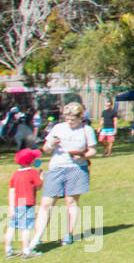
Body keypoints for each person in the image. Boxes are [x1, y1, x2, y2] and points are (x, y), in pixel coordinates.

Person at [29, 102, 97, 253]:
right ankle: (37, 237)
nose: (70, 120)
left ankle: (68, 234)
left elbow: (93, 151)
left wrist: (83, 156)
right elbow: (46, 149)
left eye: (73, 118)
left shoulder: (87, 130)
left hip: (76, 168)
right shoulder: (58, 128)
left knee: (71, 202)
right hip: (56, 167)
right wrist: (51, 144)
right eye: (67, 117)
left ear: (81, 117)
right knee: (46, 203)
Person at [7, 148, 43, 259]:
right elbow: (38, 187)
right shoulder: (32, 172)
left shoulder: (15, 174)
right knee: (26, 227)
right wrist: (41, 176)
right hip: (27, 203)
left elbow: (12, 191)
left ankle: (8, 249)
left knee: (12, 226)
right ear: (31, 161)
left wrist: (11, 207)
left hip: (17, 203)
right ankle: (26, 250)